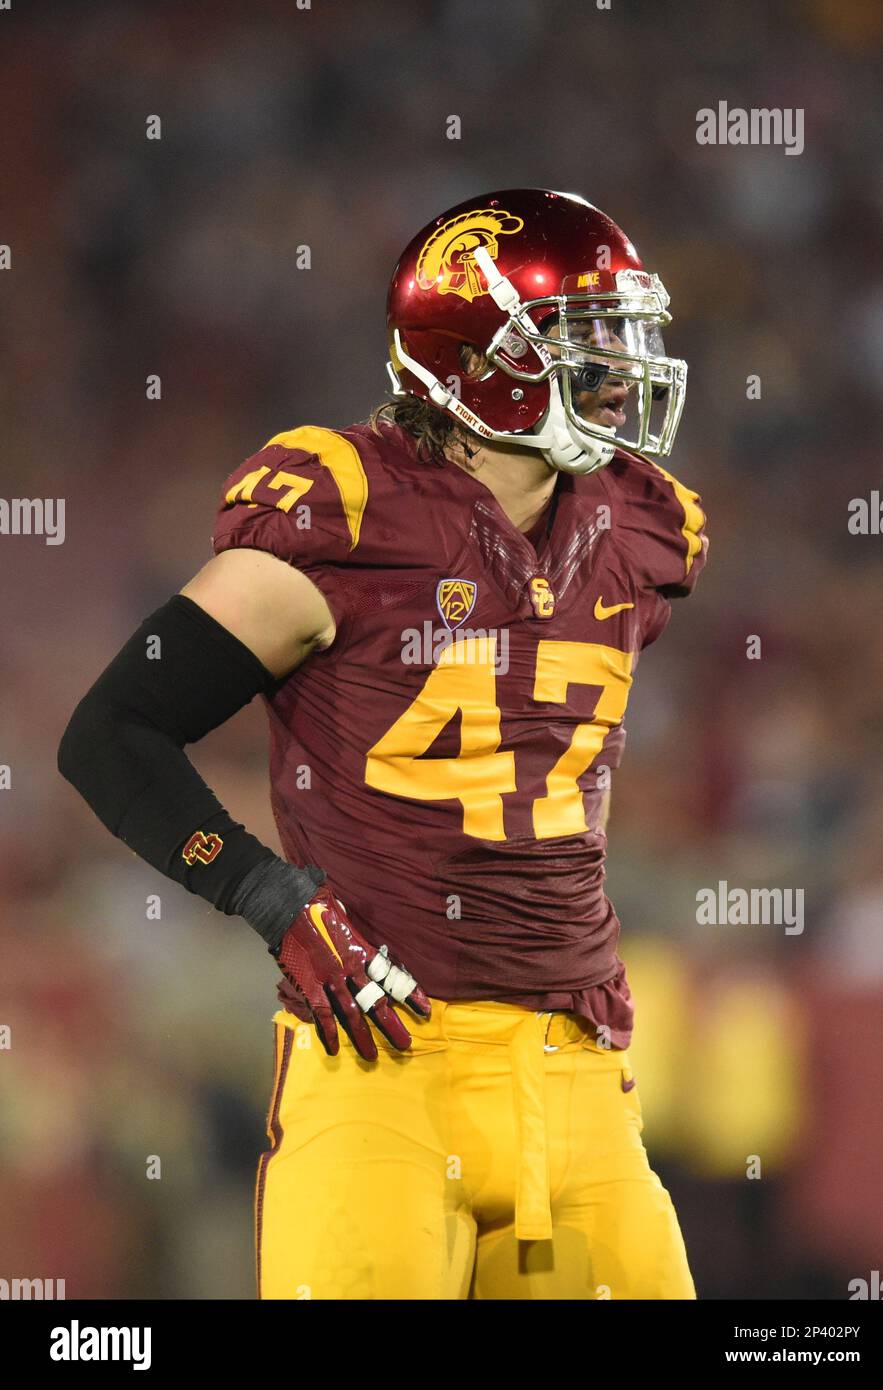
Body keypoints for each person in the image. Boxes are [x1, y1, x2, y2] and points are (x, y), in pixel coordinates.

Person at [59, 187, 707, 1299]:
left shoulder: (643, 524)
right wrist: (269, 896)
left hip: (581, 1064)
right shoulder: (345, 509)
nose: (616, 370)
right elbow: (112, 733)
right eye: (579, 341)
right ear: (475, 359)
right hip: (381, 1064)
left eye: (620, 335)